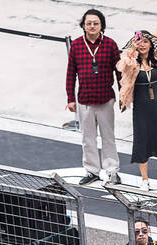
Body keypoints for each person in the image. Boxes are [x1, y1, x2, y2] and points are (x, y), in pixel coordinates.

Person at [66, 8, 121, 187]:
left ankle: (112, 171)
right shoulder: (76, 45)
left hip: (105, 99)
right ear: (83, 25)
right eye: (88, 23)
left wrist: (124, 95)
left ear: (101, 26)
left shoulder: (111, 45)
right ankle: (92, 171)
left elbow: (119, 72)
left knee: (108, 137)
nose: (92, 26)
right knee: (87, 138)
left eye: (95, 23)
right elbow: (70, 73)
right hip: (84, 101)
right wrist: (70, 98)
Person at [118, 30, 157, 192]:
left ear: (151, 44)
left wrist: (156, 36)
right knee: (141, 140)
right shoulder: (131, 62)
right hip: (141, 108)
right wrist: (133, 50)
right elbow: (123, 66)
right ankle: (145, 179)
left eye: (145, 41)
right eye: (139, 42)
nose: (142, 44)